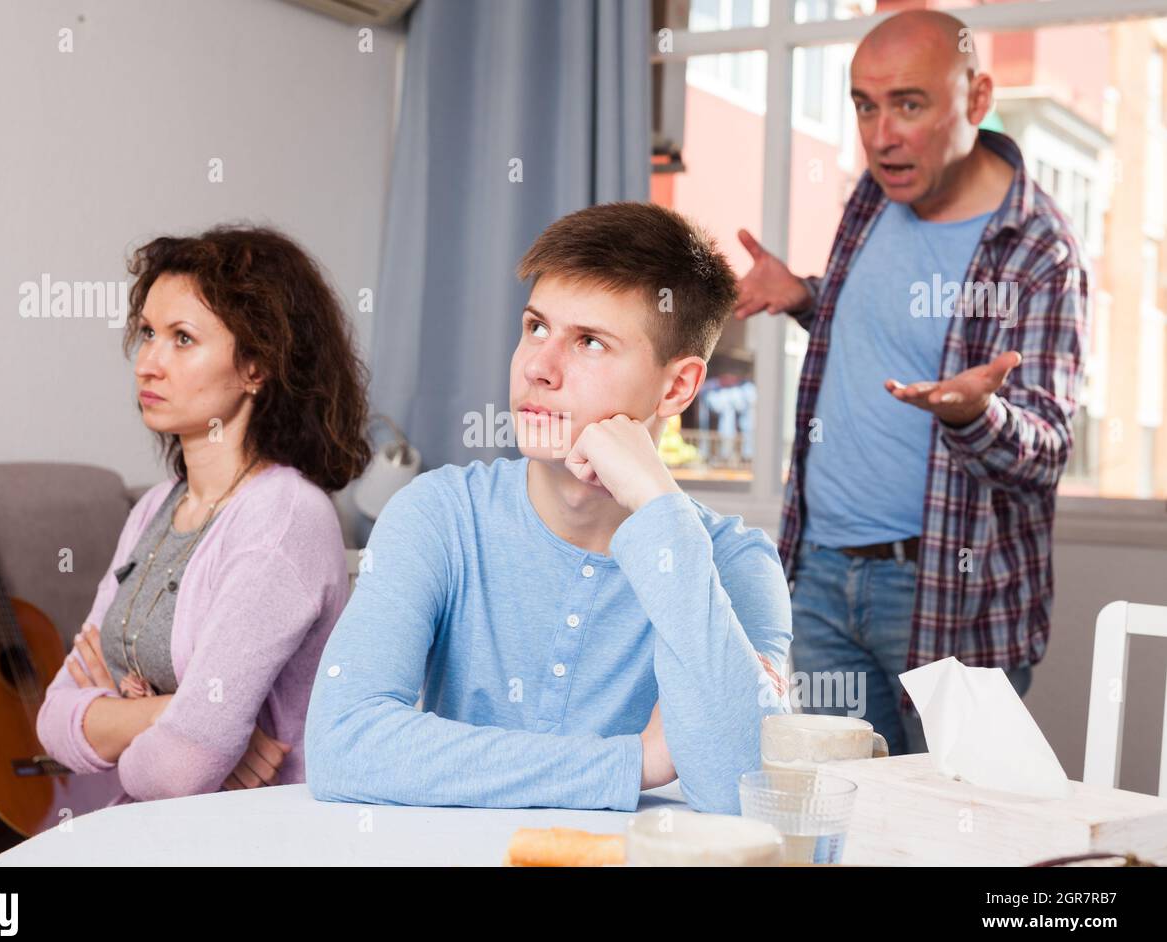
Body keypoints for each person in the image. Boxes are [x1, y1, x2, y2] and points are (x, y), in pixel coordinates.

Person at [305, 201, 792, 814]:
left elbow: (743, 792)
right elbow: (343, 744)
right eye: (536, 327)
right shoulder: (438, 516)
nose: (538, 367)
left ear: (677, 387)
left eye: (589, 342)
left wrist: (662, 512)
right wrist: (635, 762)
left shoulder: (735, 561)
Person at [734, 10, 1088, 753]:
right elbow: (885, 323)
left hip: (945, 590)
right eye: (865, 104)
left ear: (978, 97)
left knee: (950, 832)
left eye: (910, 104)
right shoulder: (878, 192)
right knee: (841, 819)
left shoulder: (1039, 250)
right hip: (821, 570)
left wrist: (972, 415)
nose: (881, 133)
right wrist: (805, 295)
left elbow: (1047, 447)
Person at [36, 225, 371, 802]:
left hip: (251, 838)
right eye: (147, 333)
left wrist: (133, 719)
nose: (147, 363)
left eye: (182, 339)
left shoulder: (285, 517)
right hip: (147, 830)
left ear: (256, 367)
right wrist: (181, 717)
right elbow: (52, 719)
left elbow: (178, 770)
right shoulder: (153, 509)